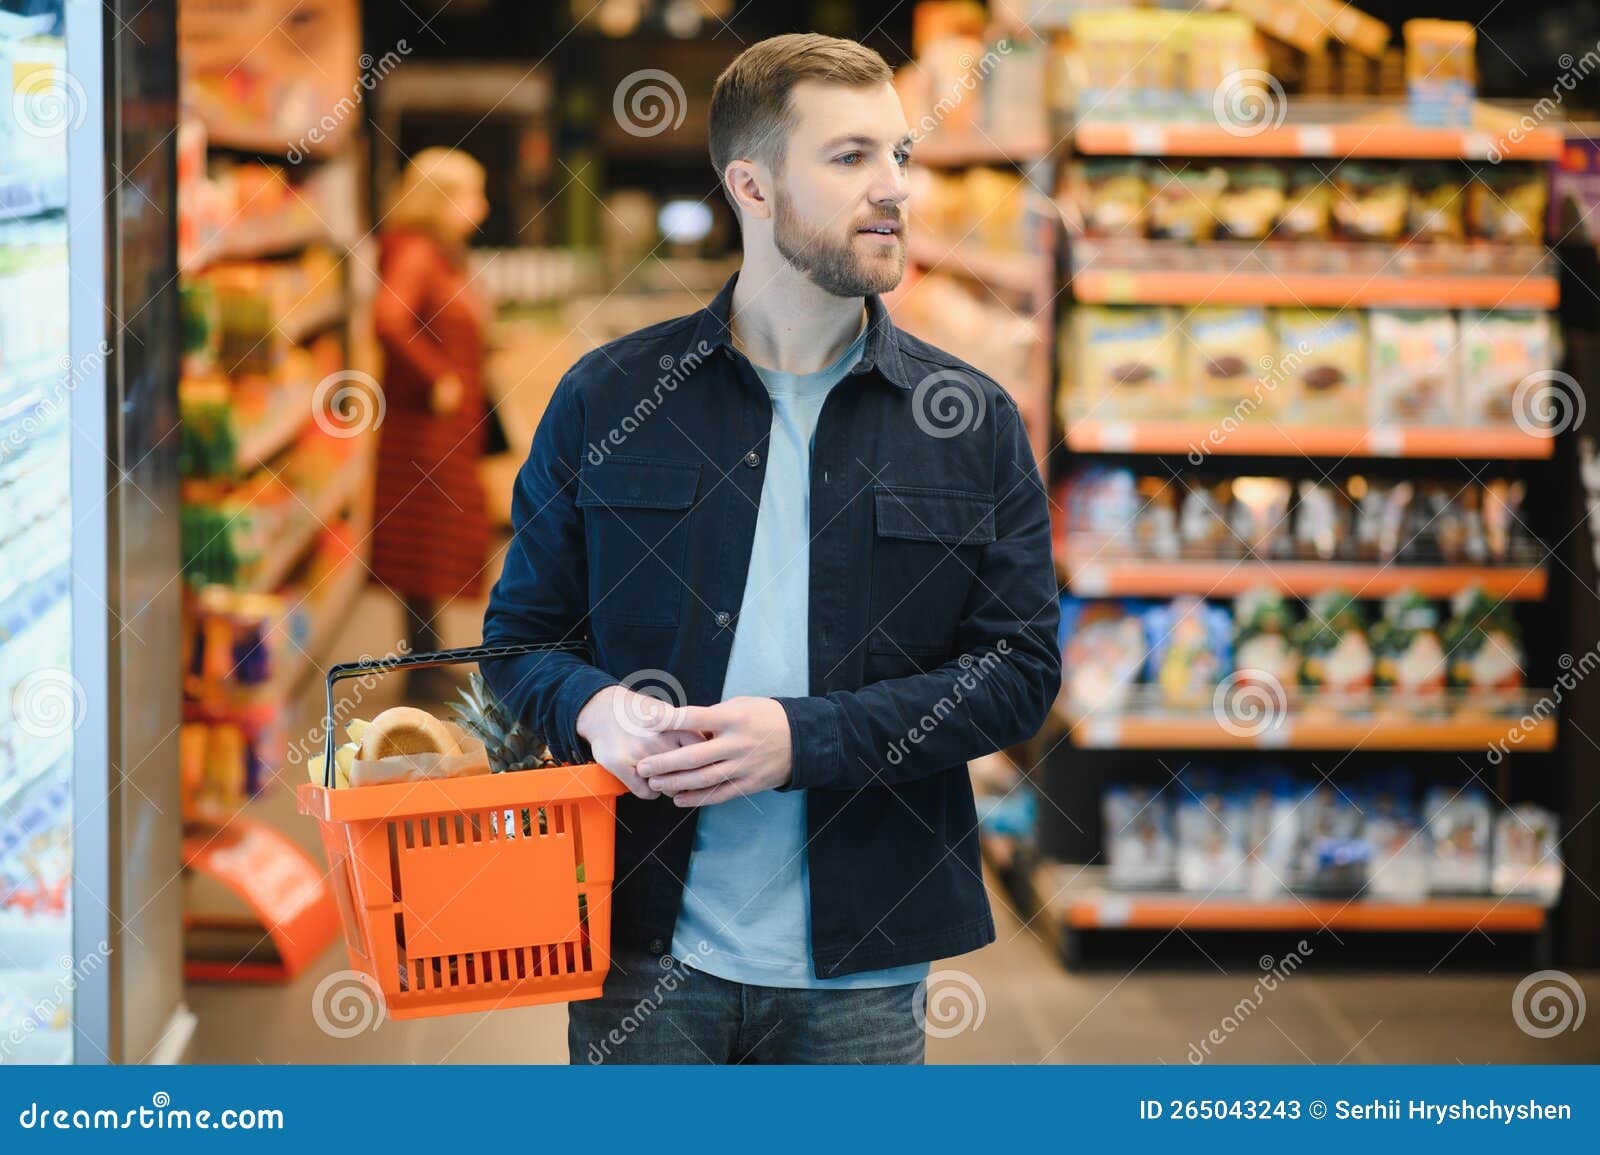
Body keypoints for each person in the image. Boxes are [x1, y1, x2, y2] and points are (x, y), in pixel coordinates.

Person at [481, 33, 1059, 1064]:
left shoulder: (968, 420)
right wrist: (593, 707)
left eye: (901, 156)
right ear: (750, 185)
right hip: (640, 953)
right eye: (849, 158)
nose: (893, 190)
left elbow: (1017, 675)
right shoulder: (609, 399)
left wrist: (806, 739)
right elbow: (519, 643)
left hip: (863, 968)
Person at [371, 148, 493, 700]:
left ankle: (427, 660)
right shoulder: (417, 252)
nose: (483, 207)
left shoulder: (441, 256)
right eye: (472, 194)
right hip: (422, 430)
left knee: (431, 542)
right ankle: (422, 671)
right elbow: (389, 319)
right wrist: (437, 377)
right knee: (426, 540)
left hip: (442, 429)